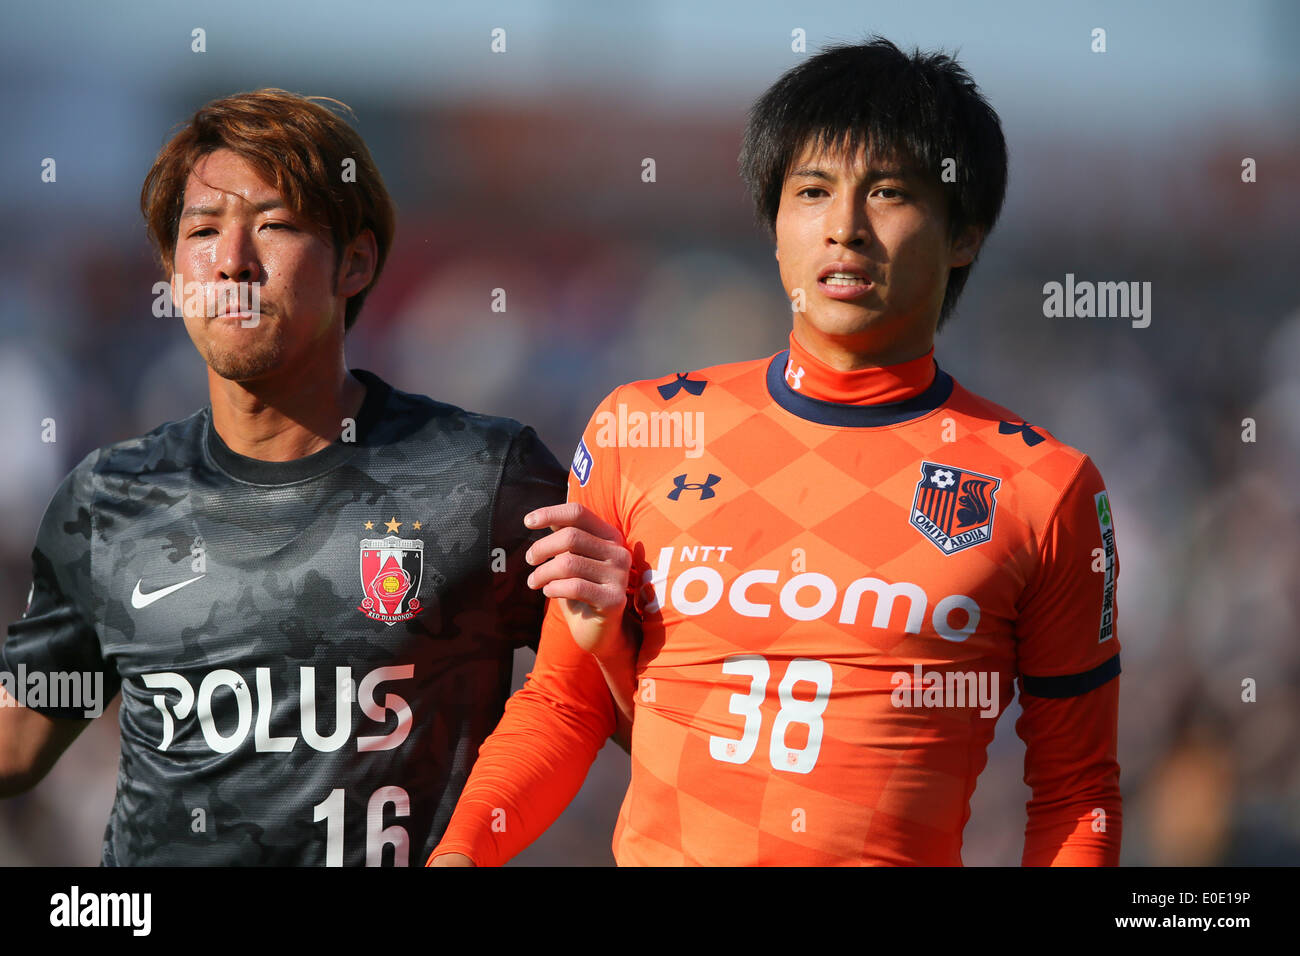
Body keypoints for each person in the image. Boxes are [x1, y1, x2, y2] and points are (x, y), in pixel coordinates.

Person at [429, 37, 1123, 866]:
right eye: (813, 191)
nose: (844, 228)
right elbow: (562, 707)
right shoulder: (640, 428)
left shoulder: (1047, 489)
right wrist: (460, 853)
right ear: (775, 221)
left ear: (965, 232)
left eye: (890, 193)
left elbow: (1077, 789)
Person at [0, 88, 621, 865]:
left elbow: (615, 708)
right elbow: (21, 738)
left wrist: (615, 639)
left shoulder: (481, 476)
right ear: (172, 268)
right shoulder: (108, 498)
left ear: (355, 261)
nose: (231, 260)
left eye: (274, 226)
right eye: (202, 232)